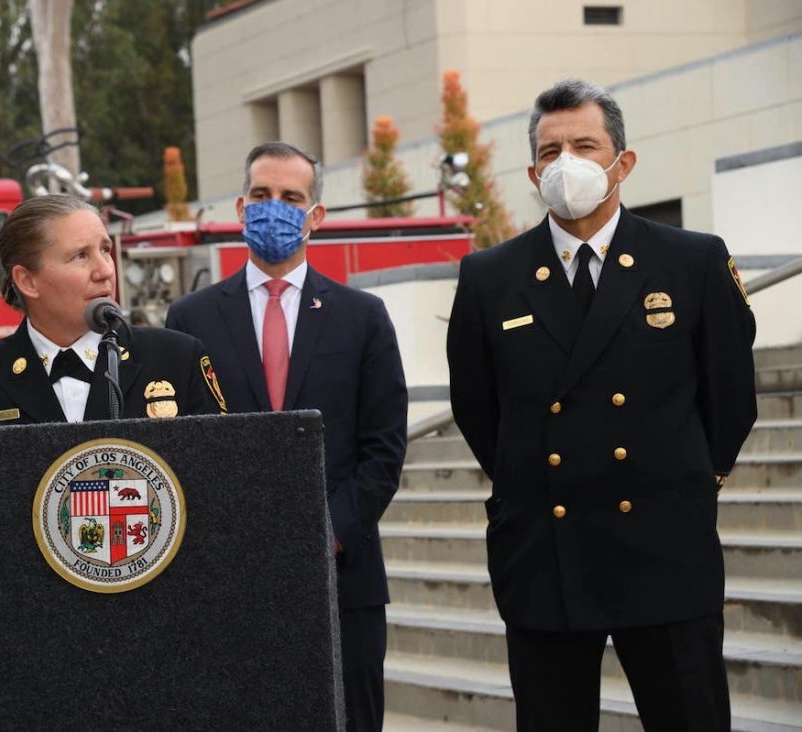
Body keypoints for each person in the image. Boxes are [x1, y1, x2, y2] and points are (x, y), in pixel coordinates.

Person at [447, 79, 757, 731]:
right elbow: (479, 411)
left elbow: (730, 398)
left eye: (585, 145)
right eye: (551, 150)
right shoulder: (489, 278)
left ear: (624, 161)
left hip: (665, 548)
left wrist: (690, 483)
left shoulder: (692, 261)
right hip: (544, 551)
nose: (568, 164)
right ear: (533, 172)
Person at [165, 141, 408, 732]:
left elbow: (384, 447)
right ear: (241, 209)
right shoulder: (189, 320)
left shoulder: (363, 316)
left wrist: (326, 535)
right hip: (227, 582)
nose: (277, 208)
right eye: (264, 196)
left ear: (316, 214)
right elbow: (179, 447)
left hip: (342, 580)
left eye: (292, 198)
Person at [0, 195, 224, 426]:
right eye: (80, 256)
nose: (105, 270)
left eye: (105, 250)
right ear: (27, 280)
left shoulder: (176, 358)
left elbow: (218, 476)